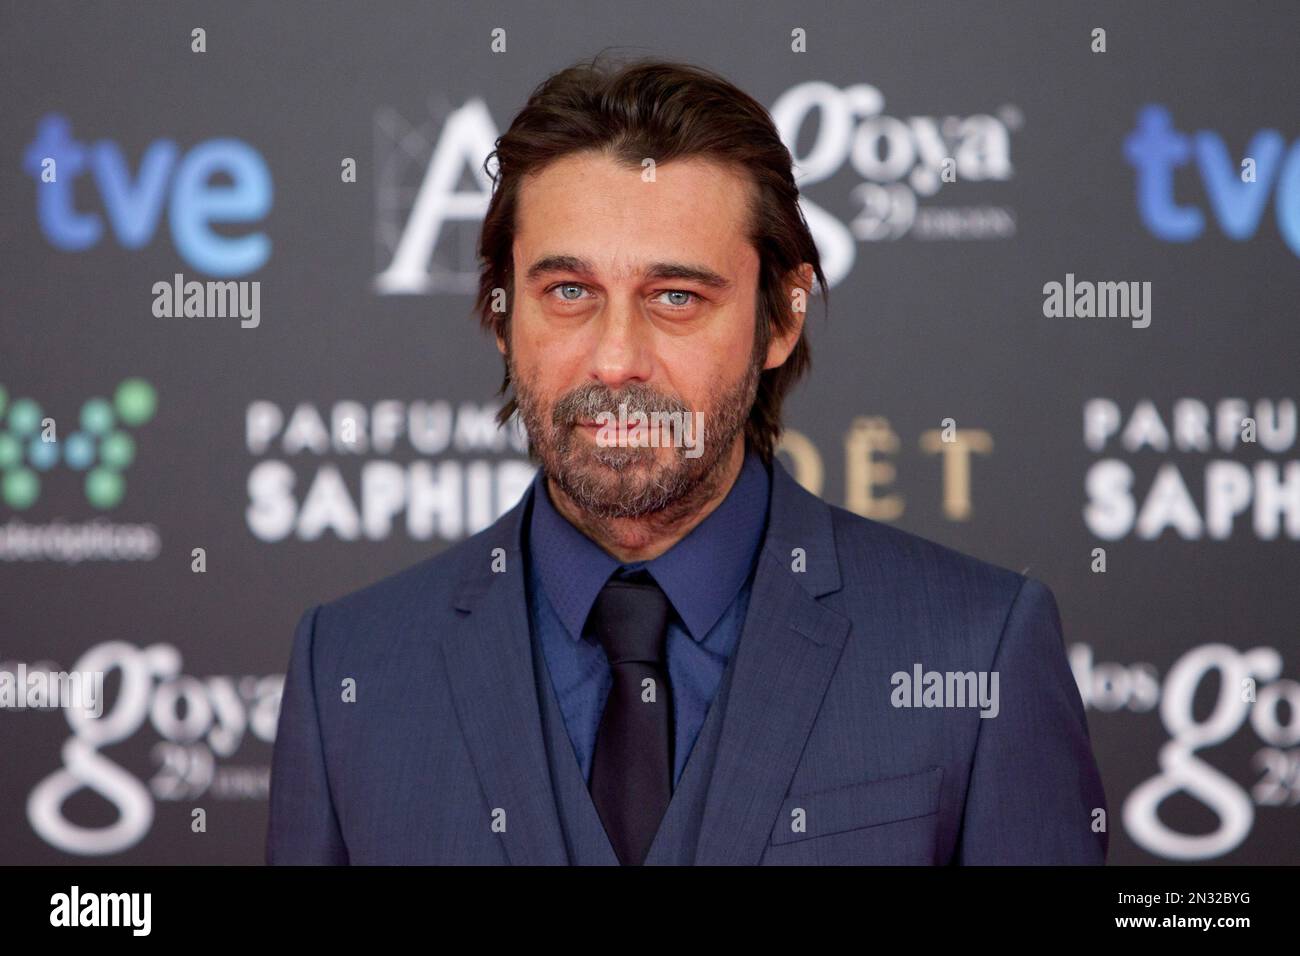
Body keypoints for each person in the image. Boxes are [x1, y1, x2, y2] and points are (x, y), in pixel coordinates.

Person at [266, 54, 1108, 865]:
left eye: (676, 297)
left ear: (780, 319)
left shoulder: (977, 649)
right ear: (500, 315)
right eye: (568, 293)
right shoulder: (348, 671)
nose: (616, 359)